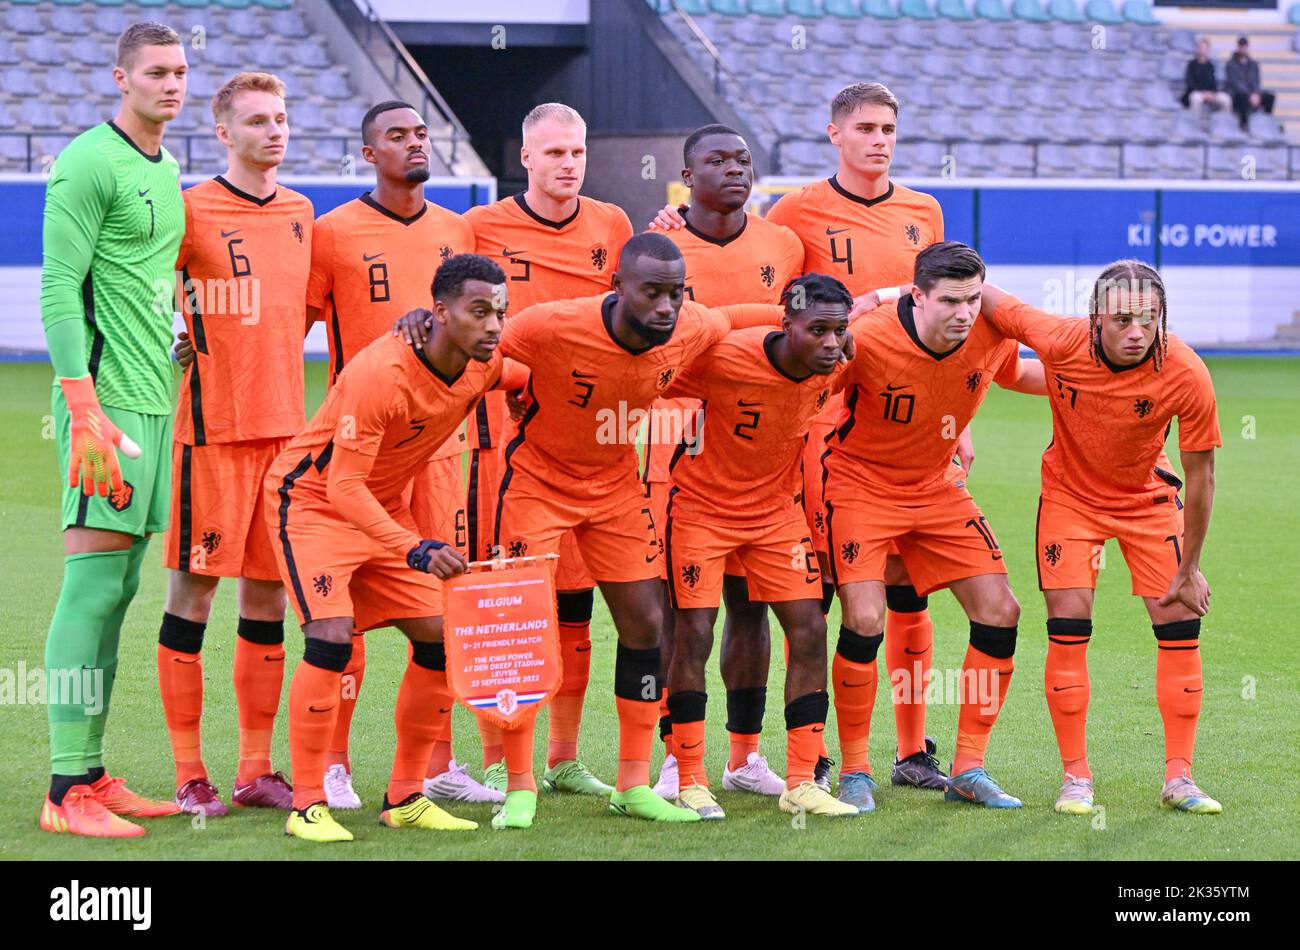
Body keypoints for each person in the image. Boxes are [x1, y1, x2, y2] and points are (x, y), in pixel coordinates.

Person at [487, 232, 781, 824]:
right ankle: (520, 785)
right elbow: (484, 342)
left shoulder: (687, 326)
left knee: (646, 623)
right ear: (617, 287)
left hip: (618, 490)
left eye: (676, 293)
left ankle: (632, 784)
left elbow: (730, 316)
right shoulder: (552, 324)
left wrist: (816, 313)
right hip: (536, 486)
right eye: (652, 293)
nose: (666, 307)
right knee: (522, 629)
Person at [264, 254, 525, 842]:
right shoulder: (380, 372)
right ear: (440, 312)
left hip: (381, 510)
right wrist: (413, 548)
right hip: (311, 503)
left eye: (499, 313)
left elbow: (530, 376)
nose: (491, 325)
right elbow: (343, 486)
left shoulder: (482, 366)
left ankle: (406, 795)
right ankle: (307, 803)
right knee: (330, 638)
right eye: (478, 311)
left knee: (442, 637)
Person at [979, 262, 1223, 816]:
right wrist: (899, 292)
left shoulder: (1185, 371)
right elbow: (989, 299)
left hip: (1149, 501)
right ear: (1096, 320)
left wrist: (1191, 568)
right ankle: (1076, 778)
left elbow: (1204, 478)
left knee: (1180, 628)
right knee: (1069, 630)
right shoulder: (1061, 339)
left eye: (1151, 319)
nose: (1138, 332)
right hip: (1070, 500)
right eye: (1124, 320)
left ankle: (1180, 778)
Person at [303, 100, 494, 808]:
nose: (414, 143)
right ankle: (330, 764)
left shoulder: (457, 229)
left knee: (441, 608)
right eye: (396, 135)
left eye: (420, 133)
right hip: (365, 452)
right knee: (341, 615)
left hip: (443, 452)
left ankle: (437, 764)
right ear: (367, 153)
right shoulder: (332, 234)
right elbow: (295, 321)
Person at [825, 242, 1046, 812]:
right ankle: (854, 770)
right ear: (917, 295)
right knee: (866, 617)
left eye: (973, 299)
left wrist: (1101, 381)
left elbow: (1018, 373)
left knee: (1002, 610)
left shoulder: (989, 334)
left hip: (935, 485)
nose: (964, 313)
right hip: (860, 486)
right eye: (949, 300)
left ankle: (969, 767)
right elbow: (807, 391)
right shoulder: (868, 338)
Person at [38, 22, 188, 838]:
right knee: (91, 588)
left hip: (153, 399)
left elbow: (143, 284)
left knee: (122, 589)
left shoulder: (165, 170)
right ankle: (65, 792)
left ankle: (92, 773)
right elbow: (60, 284)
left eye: (181, 71)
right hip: (105, 407)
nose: (172, 84)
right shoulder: (88, 161)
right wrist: (82, 401)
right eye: (157, 72)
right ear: (120, 78)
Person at [459, 102, 633, 796]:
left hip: (590, 448)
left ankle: (563, 757)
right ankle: (502, 764)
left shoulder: (612, 225)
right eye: (555, 152)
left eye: (578, 152)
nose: (568, 163)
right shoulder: (482, 227)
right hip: (505, 447)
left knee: (573, 606)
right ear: (525, 157)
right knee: (507, 606)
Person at [156, 71, 313, 817]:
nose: (273, 131)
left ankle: (257, 768)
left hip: (285, 436)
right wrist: (173, 339)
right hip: (211, 437)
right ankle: (191, 774)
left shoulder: (302, 212)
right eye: (256, 121)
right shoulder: (187, 211)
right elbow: (133, 290)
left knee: (268, 603)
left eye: (280, 119)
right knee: (193, 596)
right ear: (223, 132)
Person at [662, 274, 860, 820]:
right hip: (701, 509)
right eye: (816, 330)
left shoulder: (842, 357)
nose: (829, 343)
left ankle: (801, 780)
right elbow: (648, 374)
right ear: (786, 323)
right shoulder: (724, 358)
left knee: (810, 626)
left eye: (838, 331)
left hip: (776, 514)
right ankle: (690, 777)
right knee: (693, 632)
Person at [646, 124, 804, 802]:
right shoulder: (657, 247)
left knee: (751, 606)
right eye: (718, 160)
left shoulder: (783, 244)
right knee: (678, 611)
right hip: (672, 438)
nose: (735, 169)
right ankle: (674, 759)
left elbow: (801, 332)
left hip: (762, 447)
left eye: (744, 159)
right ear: (687, 173)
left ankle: (745, 756)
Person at [1225, 37, 1276, 132]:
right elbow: (1235, 83)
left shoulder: (1253, 64)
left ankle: (1267, 123)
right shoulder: (1231, 64)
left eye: (1245, 47)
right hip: (1238, 94)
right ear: (1238, 47)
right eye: (1241, 47)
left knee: (1270, 97)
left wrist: (1256, 94)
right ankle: (1244, 124)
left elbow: (1256, 81)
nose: (1243, 49)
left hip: (1253, 94)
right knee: (1242, 97)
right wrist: (1250, 95)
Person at [1181, 39, 1231, 114]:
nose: (1203, 50)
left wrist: (1212, 93)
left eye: (1205, 48)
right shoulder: (1191, 64)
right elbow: (1190, 82)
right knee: (1195, 98)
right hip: (1196, 92)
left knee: (1226, 99)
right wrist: (1203, 93)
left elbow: (1213, 83)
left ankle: (1224, 122)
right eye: (1201, 48)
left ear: (1208, 50)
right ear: (1198, 49)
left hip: (1210, 93)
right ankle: (1195, 124)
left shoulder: (1210, 66)